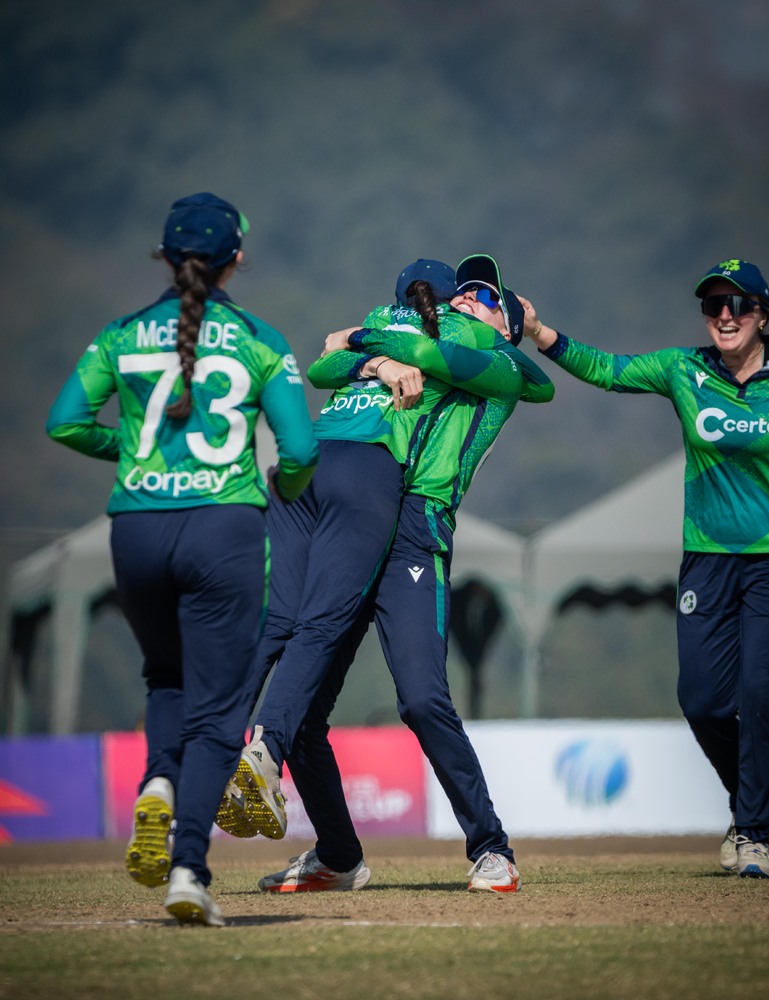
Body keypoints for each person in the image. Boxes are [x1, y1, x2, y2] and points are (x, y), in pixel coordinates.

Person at [223, 255, 554, 893]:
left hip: (417, 532)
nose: (467, 299)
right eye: (464, 291)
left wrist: (361, 338)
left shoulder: (500, 366)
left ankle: (492, 849)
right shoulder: (420, 338)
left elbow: (489, 370)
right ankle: (338, 857)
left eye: (486, 296)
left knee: (423, 699)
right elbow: (328, 366)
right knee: (306, 708)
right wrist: (370, 359)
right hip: (364, 509)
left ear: (507, 324)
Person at [46, 192, 319, 925]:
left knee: (164, 677)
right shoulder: (261, 341)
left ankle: (157, 785)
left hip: (135, 531)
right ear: (236, 258)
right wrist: (285, 490)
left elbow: (65, 423)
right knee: (218, 711)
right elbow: (300, 452)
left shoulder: (119, 335)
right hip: (224, 531)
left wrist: (132, 451)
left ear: (166, 257)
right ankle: (189, 870)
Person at [525, 257, 769, 879]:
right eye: (713, 305)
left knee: (761, 696)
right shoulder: (683, 369)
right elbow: (606, 370)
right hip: (706, 560)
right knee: (702, 702)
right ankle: (748, 803)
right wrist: (540, 333)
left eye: (737, 305)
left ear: (762, 313)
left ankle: (755, 834)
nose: (724, 316)